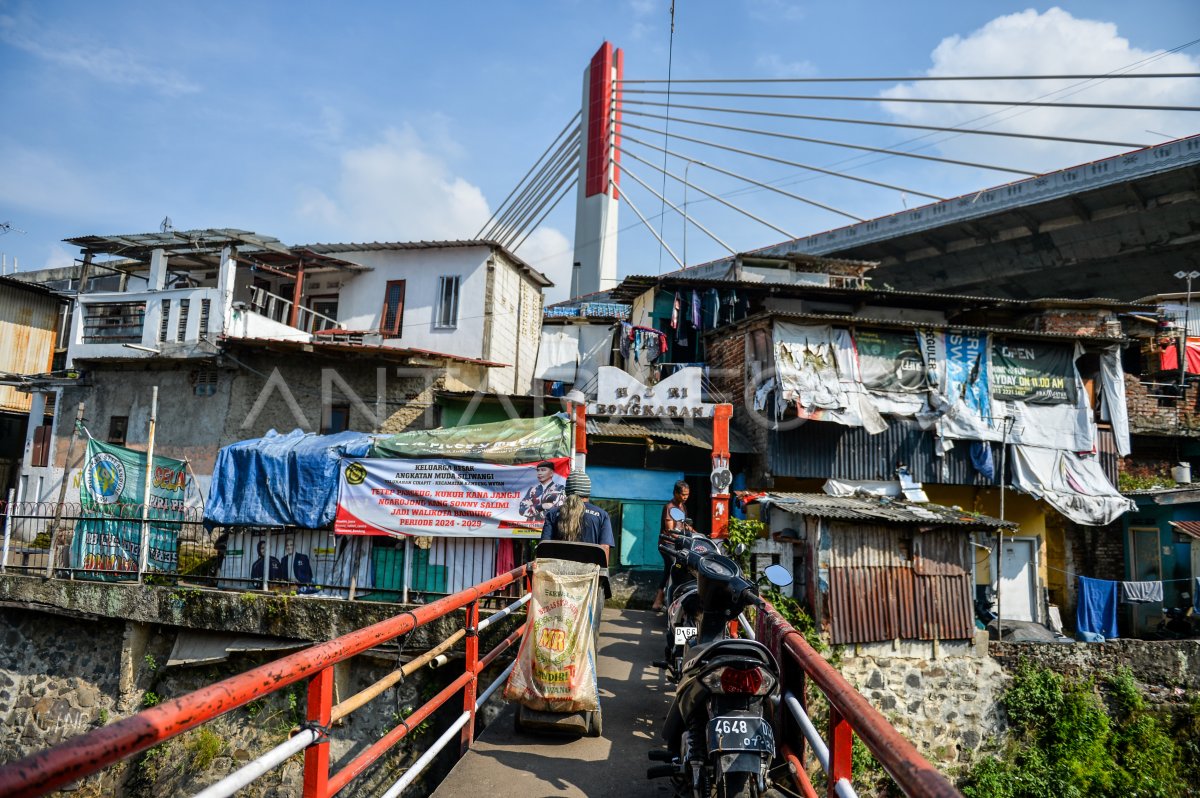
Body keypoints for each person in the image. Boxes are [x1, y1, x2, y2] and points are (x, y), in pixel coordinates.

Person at [540, 471, 614, 561]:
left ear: (567, 491)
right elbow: (604, 548)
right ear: (587, 491)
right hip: (589, 574)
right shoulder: (601, 515)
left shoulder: (552, 514)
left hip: (557, 573)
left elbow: (544, 547)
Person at [651, 480, 690, 612]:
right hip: (667, 544)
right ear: (675, 493)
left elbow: (685, 525)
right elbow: (670, 530)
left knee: (670, 570)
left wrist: (697, 533)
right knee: (676, 567)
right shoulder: (670, 507)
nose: (685, 497)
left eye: (687, 495)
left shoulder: (682, 507)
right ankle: (672, 600)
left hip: (677, 545)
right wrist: (682, 537)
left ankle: (658, 601)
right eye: (683, 494)